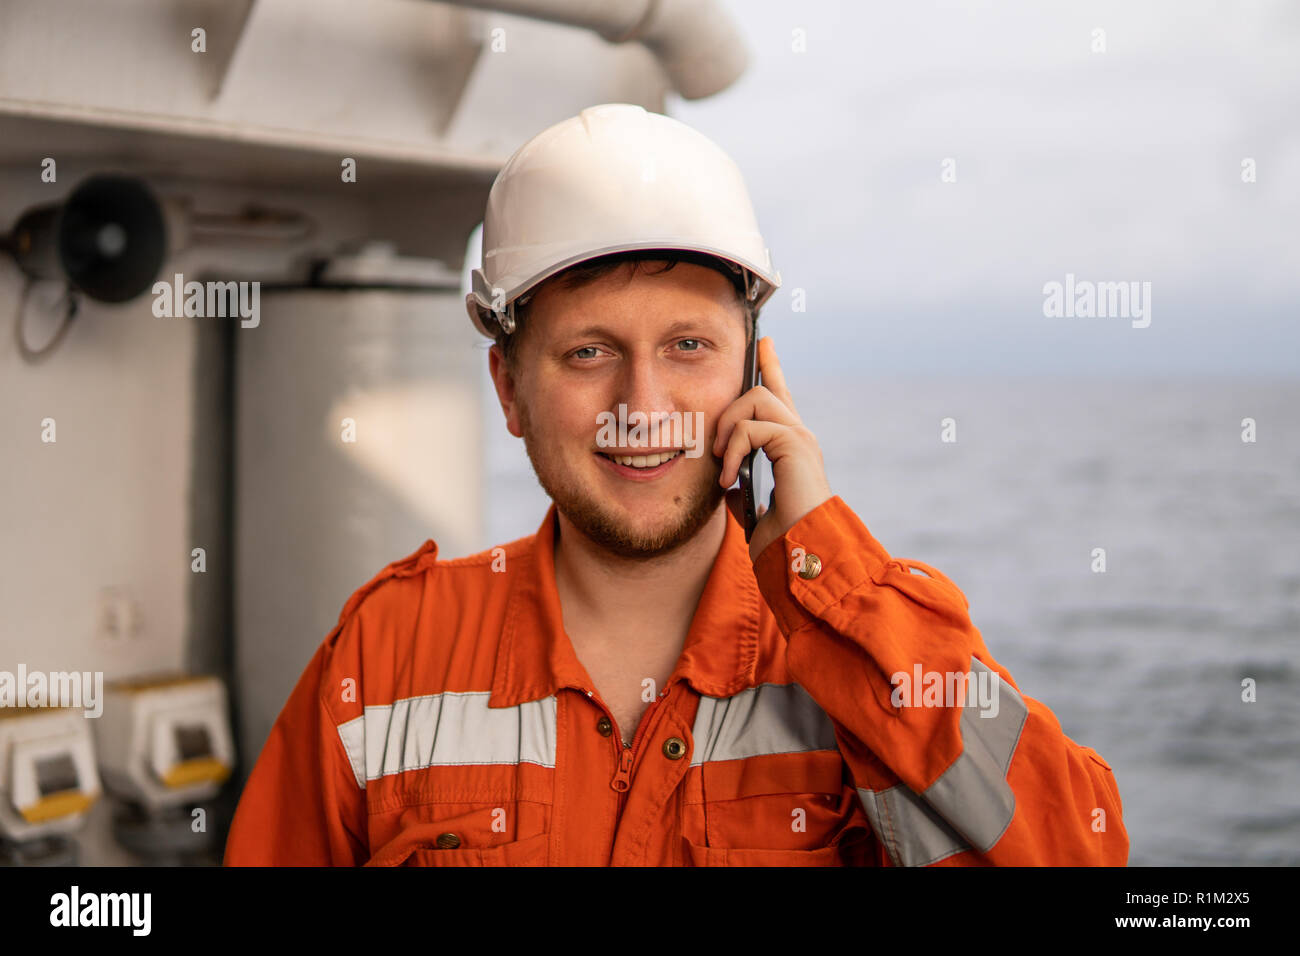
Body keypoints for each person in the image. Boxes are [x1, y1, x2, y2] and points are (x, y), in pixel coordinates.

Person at [224, 103, 1128, 866]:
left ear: (757, 374)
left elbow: (1078, 852)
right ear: (509, 390)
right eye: (589, 353)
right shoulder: (387, 654)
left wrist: (829, 583)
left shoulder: (863, 657)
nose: (643, 405)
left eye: (688, 347)